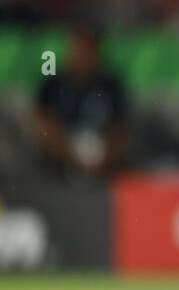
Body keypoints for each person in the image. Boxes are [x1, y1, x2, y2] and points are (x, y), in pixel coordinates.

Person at [34, 22, 129, 176]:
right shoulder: (53, 84)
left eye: (87, 49)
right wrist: (69, 155)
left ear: (97, 52)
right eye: (78, 49)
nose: (82, 55)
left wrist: (102, 157)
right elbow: (43, 124)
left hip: (105, 166)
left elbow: (122, 129)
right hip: (58, 165)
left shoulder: (111, 86)